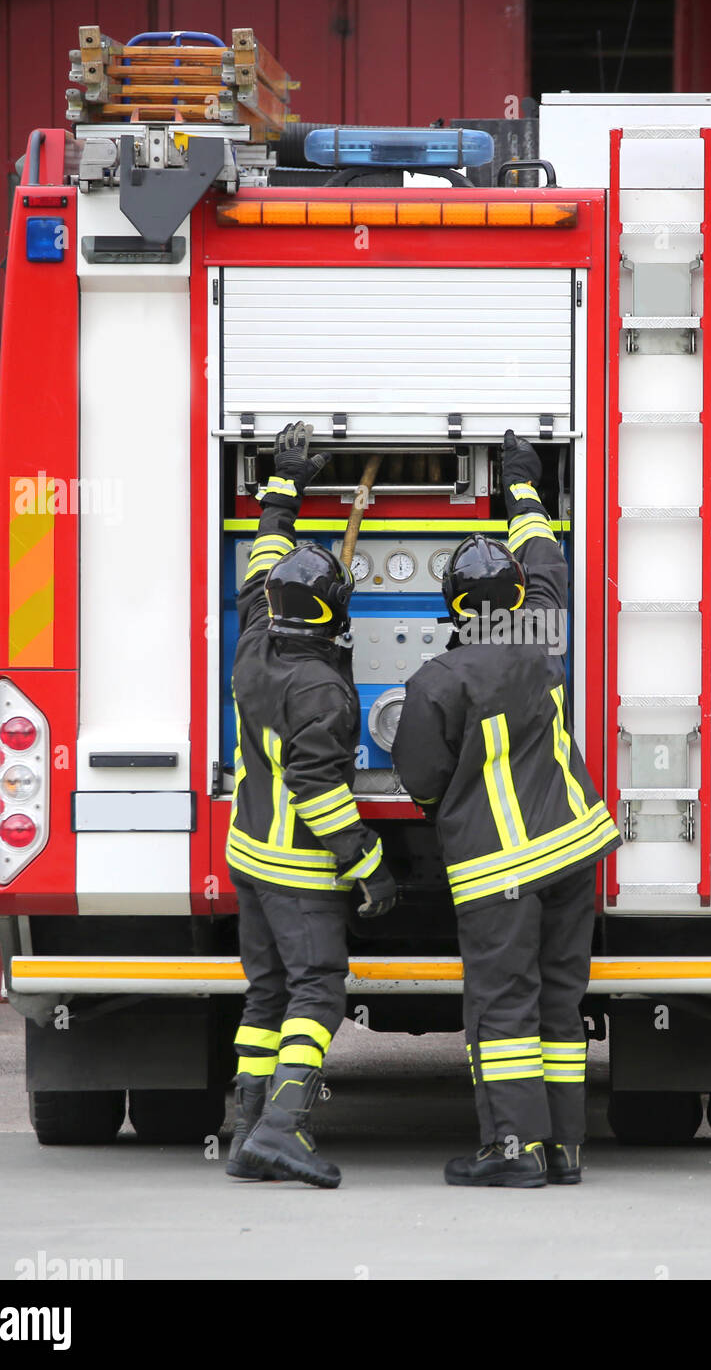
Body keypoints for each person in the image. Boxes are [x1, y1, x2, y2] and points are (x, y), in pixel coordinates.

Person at [392, 431, 621, 1188]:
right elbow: (547, 556)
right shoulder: (544, 634)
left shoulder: (436, 680)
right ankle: (563, 1149)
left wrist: (448, 809)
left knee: (501, 1012)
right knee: (560, 1006)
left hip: (498, 871)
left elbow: (421, 778)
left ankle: (512, 1152)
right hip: (573, 851)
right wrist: (523, 485)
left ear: (452, 605)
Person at [225, 422, 398, 1188]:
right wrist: (369, 867)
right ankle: (281, 1126)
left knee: (266, 993)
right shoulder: (324, 691)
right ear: (335, 617)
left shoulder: (254, 641)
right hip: (297, 867)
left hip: (246, 856)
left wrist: (281, 487)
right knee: (316, 991)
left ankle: (246, 1126)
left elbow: (267, 563)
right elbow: (319, 793)